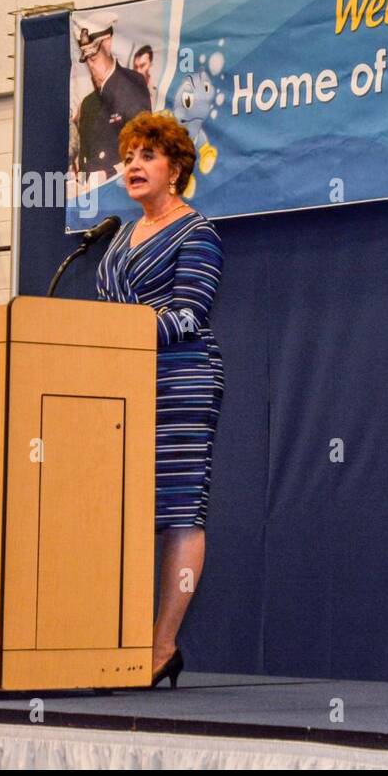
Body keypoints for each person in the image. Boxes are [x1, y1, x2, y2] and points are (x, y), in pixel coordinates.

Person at [95, 111, 225, 689]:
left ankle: (162, 644)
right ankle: (111, 636)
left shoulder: (197, 233)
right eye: (129, 157)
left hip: (180, 383)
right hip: (121, 386)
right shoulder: (119, 235)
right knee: (116, 511)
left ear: (175, 170)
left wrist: (120, 334)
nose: (134, 166)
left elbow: (189, 315)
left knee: (177, 513)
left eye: (148, 156)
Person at [73, 12, 152, 188]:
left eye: (94, 56)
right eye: (87, 59)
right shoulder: (88, 103)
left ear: (107, 43)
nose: (91, 65)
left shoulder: (131, 83)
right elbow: (84, 159)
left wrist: (112, 173)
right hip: (91, 194)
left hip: (121, 188)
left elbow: (144, 143)